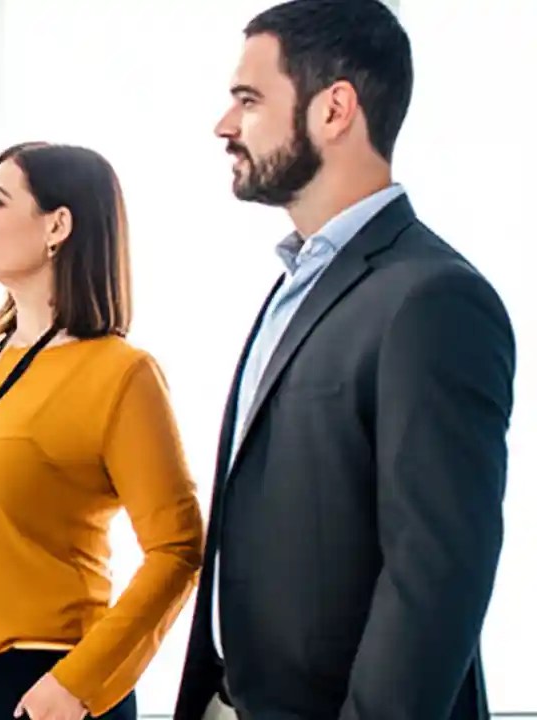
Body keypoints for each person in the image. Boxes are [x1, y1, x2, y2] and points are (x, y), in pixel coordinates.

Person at [174, 2, 517, 718]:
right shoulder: (293, 285)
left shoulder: (434, 299)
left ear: (334, 110)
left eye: (248, 99)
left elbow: (436, 576)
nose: (224, 125)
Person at [0, 142, 204, 720]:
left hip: (47, 683)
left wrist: (78, 683)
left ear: (58, 225)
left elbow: (178, 549)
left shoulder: (121, 374)